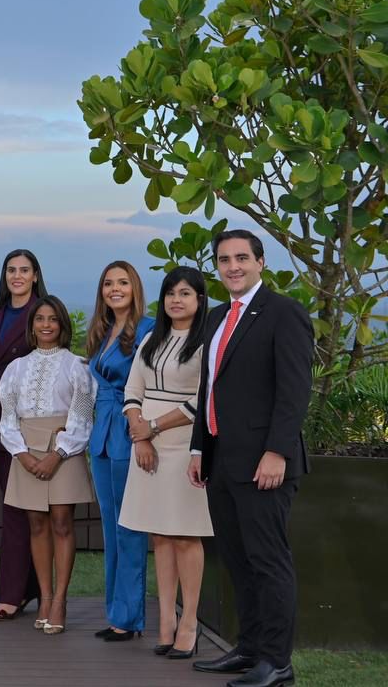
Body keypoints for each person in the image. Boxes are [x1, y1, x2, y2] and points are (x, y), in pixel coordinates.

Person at [188, 230, 312, 687]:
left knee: (268, 562)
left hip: (265, 462)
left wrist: (277, 451)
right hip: (222, 461)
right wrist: (199, 447)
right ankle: (250, 648)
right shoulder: (217, 316)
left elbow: (294, 390)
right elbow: (209, 389)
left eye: (242, 257)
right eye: (224, 259)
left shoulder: (284, 313)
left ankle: (277, 662)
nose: (233, 266)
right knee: (238, 562)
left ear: (261, 262)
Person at [119, 266, 213, 659]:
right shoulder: (151, 339)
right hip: (146, 445)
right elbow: (132, 389)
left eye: (185, 293)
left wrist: (153, 427)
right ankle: (166, 622)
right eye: (171, 293)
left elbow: (202, 399)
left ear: (199, 300)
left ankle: (189, 622)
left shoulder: (207, 341)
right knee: (159, 535)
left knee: (185, 534)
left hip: (185, 446)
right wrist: (140, 433)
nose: (176, 300)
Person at [0, 296, 96, 635]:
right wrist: (23, 454)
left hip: (64, 450)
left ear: (62, 324)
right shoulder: (15, 368)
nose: (46, 325)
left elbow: (82, 417)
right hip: (26, 451)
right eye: (40, 318)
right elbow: (7, 419)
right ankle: (45, 596)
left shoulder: (77, 366)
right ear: (32, 325)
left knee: (62, 523)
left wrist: (58, 454)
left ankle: (60, 601)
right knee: (36, 524)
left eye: (53, 319)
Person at [85, 260, 155, 641]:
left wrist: (142, 433)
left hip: (129, 433)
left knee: (129, 528)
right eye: (108, 283)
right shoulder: (103, 331)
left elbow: (151, 385)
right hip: (101, 436)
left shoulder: (147, 329)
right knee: (110, 528)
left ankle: (128, 618)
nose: (115, 289)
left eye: (123, 282)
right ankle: (116, 612)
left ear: (135, 288)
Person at [0, 249, 48, 621]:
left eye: (24, 270)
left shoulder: (43, 313)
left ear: (35, 275)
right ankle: (28, 588)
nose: (17, 276)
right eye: (11, 270)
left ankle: (12, 593)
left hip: (30, 421)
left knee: (19, 508)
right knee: (16, 505)